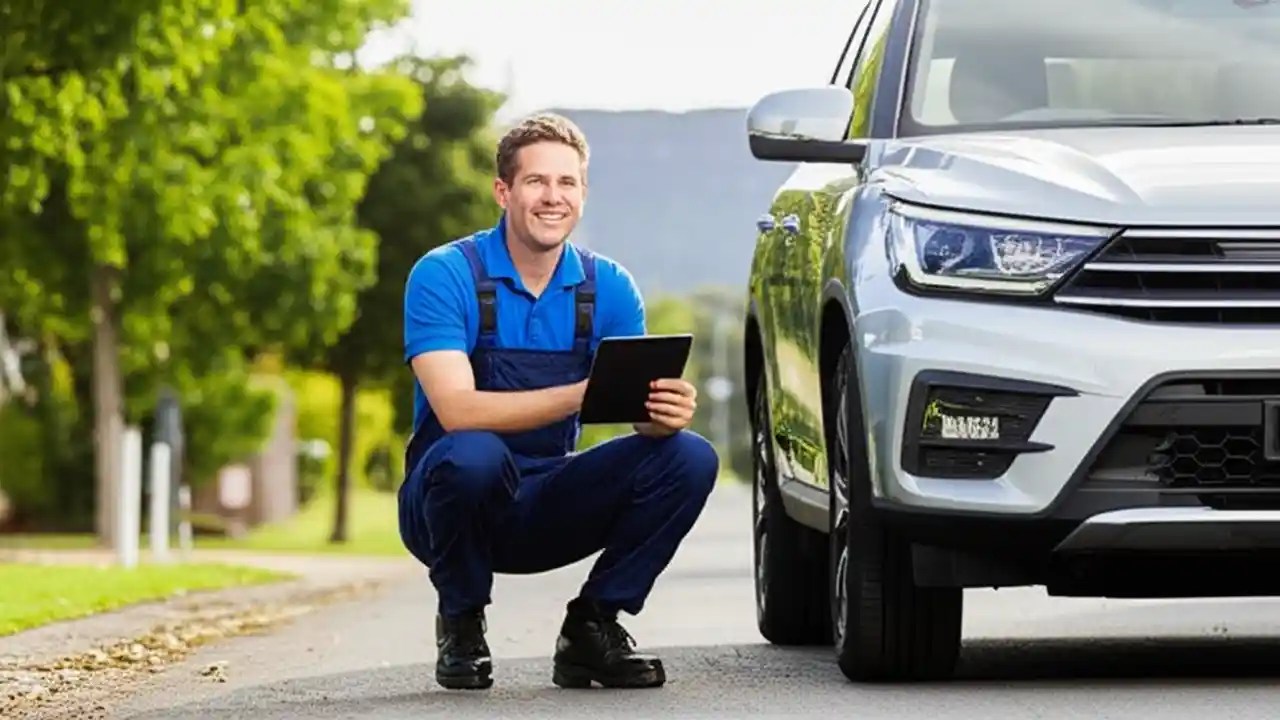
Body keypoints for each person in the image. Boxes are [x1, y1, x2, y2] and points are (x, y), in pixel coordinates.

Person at [398, 112, 720, 692]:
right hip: (447, 505)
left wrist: (659, 415)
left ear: (583, 193)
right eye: (536, 182)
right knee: (474, 453)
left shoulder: (610, 288)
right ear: (503, 191)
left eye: (567, 183)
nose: (553, 197)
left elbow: (637, 415)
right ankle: (462, 620)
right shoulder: (445, 275)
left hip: (546, 501)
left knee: (689, 456)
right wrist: (588, 392)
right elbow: (459, 412)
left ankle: (592, 630)